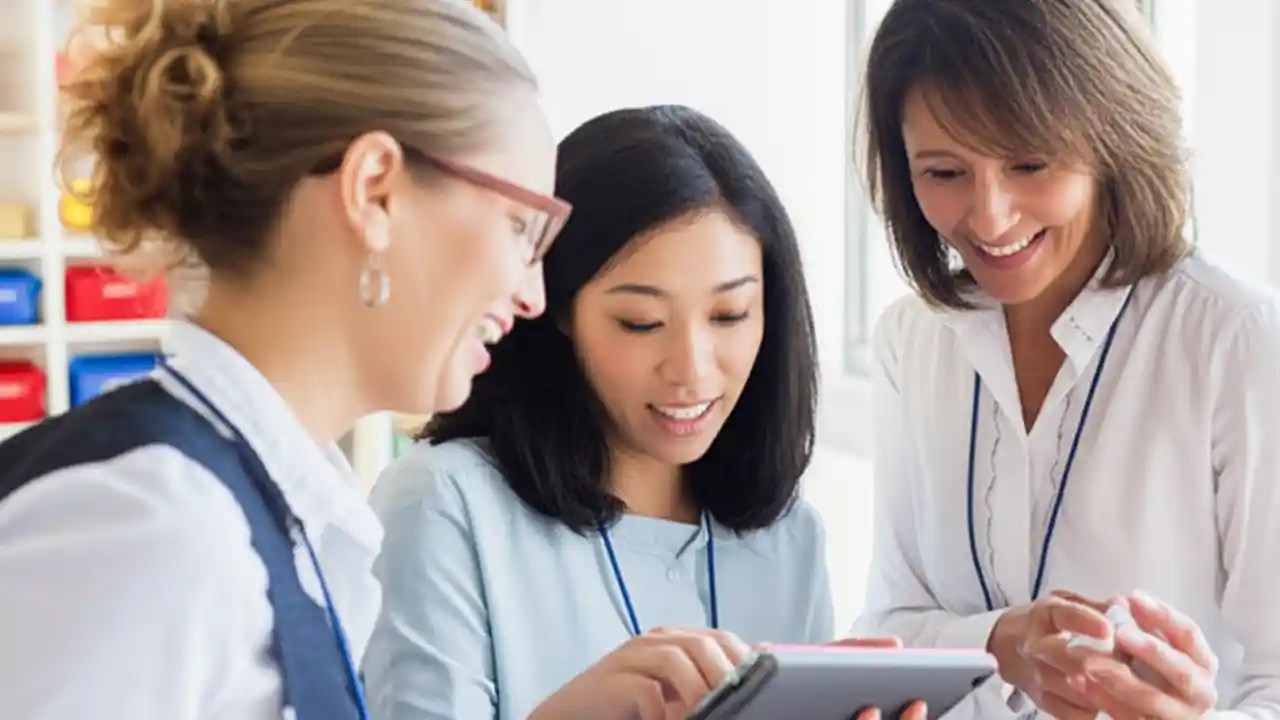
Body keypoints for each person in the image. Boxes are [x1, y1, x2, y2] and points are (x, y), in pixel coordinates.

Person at [0, 0, 570, 717]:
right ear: (375, 191)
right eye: (522, 226)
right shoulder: (159, 531)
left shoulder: (271, 508)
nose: (532, 295)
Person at [363, 105, 923, 720]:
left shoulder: (787, 539)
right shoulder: (445, 503)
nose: (692, 369)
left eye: (729, 316)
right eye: (641, 323)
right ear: (555, 307)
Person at [851, 0, 1280, 718]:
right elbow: (888, 629)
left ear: (1112, 137)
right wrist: (1006, 643)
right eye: (945, 172)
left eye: (1029, 163)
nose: (989, 218)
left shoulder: (1237, 341)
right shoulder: (912, 340)